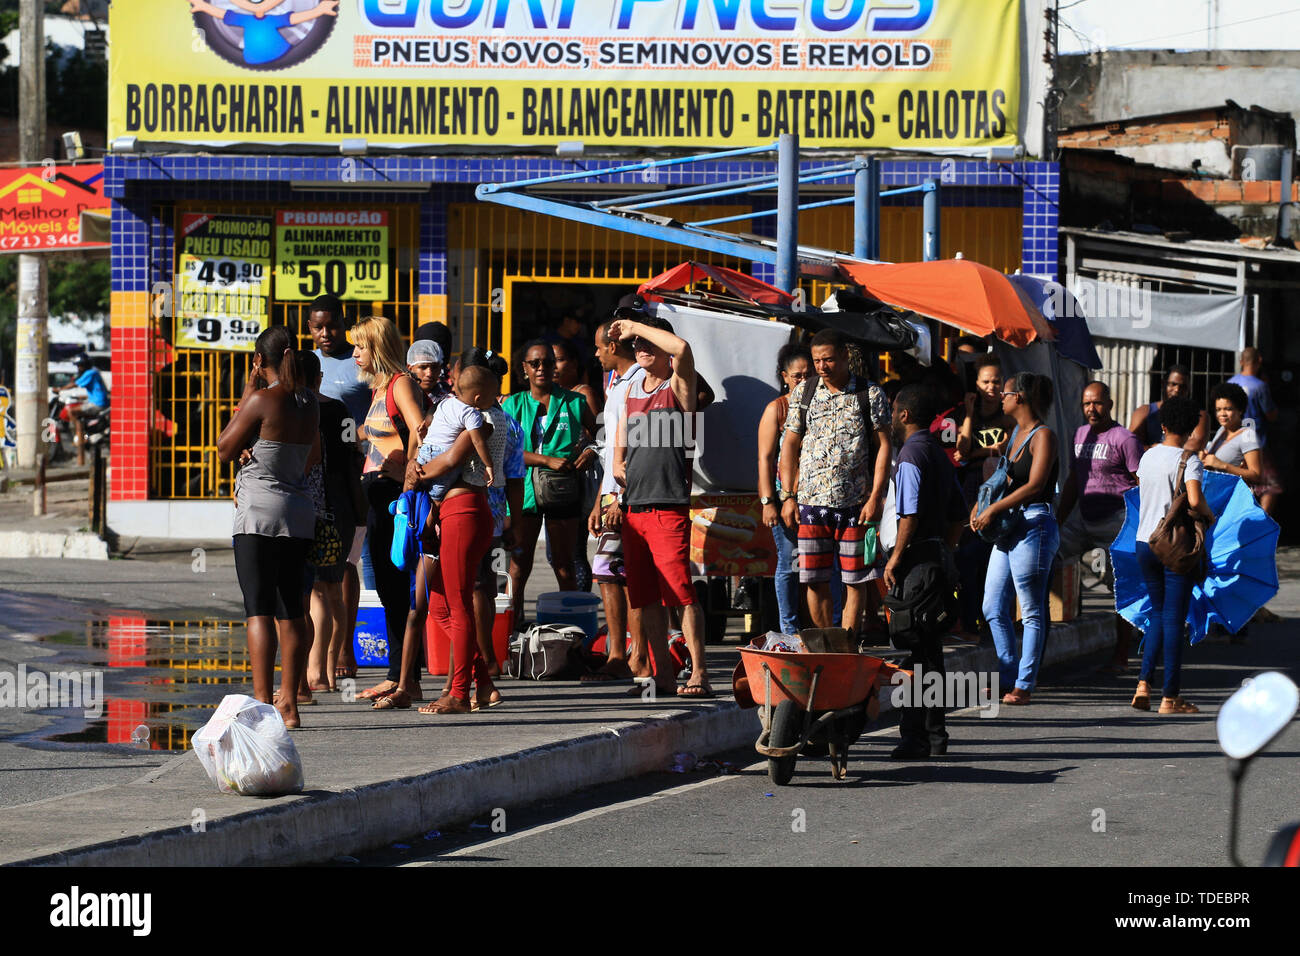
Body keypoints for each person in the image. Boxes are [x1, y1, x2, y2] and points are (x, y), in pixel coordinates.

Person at [380, 365, 502, 711]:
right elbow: (430, 442)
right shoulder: (454, 410)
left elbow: (448, 460)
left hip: (464, 511)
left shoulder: (483, 420)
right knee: (438, 605)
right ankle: (484, 682)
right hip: (446, 512)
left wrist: (415, 472)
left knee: (459, 604)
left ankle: (460, 692)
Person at [216, 326, 319, 729]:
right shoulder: (307, 402)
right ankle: (290, 704)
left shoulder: (262, 399)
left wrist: (249, 389)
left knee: (258, 609)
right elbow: (311, 457)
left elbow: (225, 447)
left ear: (260, 360)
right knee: (291, 610)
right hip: (297, 513)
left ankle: (262, 705)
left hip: (258, 515)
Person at [609, 314, 710, 697]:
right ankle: (663, 675)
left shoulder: (679, 386)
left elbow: (682, 349)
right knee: (646, 598)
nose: (641, 349)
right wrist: (618, 460)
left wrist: (637, 328)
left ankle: (699, 673)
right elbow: (621, 426)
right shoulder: (634, 386)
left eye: (650, 344)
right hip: (635, 506)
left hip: (668, 505)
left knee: (681, 593)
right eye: (636, 346)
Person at [779, 329, 892, 637]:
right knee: (813, 579)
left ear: (845, 356)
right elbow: (789, 443)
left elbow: (884, 445)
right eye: (817, 360)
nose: (822, 366)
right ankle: (826, 644)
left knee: (856, 580)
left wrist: (877, 497)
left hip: (856, 504)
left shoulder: (870, 394)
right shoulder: (804, 392)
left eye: (828, 359)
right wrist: (787, 496)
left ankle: (849, 648)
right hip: (811, 504)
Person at [883, 384, 966, 759]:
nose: (888, 414)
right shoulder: (939, 452)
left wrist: (897, 558)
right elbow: (958, 513)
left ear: (904, 414)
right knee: (929, 650)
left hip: (917, 564)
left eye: (892, 408)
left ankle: (917, 736)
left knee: (917, 647)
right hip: (936, 560)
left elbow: (909, 513)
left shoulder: (912, 454)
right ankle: (932, 736)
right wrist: (944, 551)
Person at [348, 315, 426, 704]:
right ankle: (397, 673)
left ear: (378, 347)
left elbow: (421, 427)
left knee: (396, 589)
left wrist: (407, 470)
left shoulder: (401, 384)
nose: (355, 352)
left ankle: (406, 677)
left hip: (392, 495)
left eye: (362, 346)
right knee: (386, 590)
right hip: (375, 494)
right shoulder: (379, 390)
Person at [972, 372, 1059, 706]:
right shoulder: (1015, 434)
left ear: (1019, 397)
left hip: (1035, 523)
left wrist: (994, 510)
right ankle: (1007, 674)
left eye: (1005, 392)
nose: (1000, 397)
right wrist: (981, 505)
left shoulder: (1043, 435)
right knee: (992, 606)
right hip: (1011, 527)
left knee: (1032, 609)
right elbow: (1003, 478)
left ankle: (1024, 683)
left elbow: (1036, 485)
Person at [501, 340, 598, 625]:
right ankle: (511, 628)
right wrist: (545, 460)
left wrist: (591, 451)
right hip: (523, 492)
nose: (542, 368)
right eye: (535, 363)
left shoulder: (574, 401)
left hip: (562, 491)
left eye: (547, 362)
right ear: (524, 369)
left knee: (565, 565)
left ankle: (573, 632)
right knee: (519, 566)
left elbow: (600, 435)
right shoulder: (513, 403)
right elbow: (506, 449)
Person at [1130, 395, 1214, 715]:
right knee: (1174, 620)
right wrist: (1210, 515)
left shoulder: (1148, 456)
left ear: (1162, 425)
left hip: (1144, 542)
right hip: (1174, 547)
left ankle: (1143, 683)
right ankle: (1170, 697)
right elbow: (1193, 501)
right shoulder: (1188, 460)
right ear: (1192, 427)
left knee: (1157, 612)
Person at [1055, 381, 1144, 673]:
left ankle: (1121, 653)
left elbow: (1141, 483)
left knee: (1122, 587)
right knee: (1046, 557)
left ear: (1110, 404)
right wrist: (1058, 520)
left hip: (1116, 520)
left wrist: (1141, 524)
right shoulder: (1079, 434)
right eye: (1086, 404)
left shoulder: (1125, 438)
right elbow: (1072, 480)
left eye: (1097, 403)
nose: (1092, 409)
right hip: (1082, 517)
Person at [581, 315, 648, 682]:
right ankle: (620, 653)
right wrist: (599, 500)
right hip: (611, 491)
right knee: (609, 572)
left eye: (598, 346)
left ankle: (631, 655)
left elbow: (636, 445)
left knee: (622, 572)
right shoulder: (616, 381)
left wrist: (621, 498)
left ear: (612, 346)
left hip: (629, 492)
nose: (595, 354)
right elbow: (611, 450)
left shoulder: (638, 380)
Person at [308, 294, 370, 683]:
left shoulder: (361, 361)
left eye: (331, 325)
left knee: (347, 566)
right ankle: (321, 663)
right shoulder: (305, 363)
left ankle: (345, 647)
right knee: (319, 575)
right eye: (317, 327)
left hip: (359, 475)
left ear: (343, 322)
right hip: (316, 482)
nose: (325, 333)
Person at [298, 350, 365, 694]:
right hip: (340, 507)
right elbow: (354, 461)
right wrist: (358, 510)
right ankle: (331, 665)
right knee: (332, 589)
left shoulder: (294, 410)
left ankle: (315, 671)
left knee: (315, 592)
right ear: (319, 378)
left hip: (308, 508)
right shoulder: (340, 410)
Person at [952, 353, 1012, 641]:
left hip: (999, 491)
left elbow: (1007, 450)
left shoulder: (1009, 413)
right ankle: (971, 618)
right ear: (976, 383)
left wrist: (980, 452)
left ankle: (993, 621)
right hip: (972, 489)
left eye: (996, 381)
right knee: (968, 555)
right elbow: (962, 450)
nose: (992, 387)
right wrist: (968, 412)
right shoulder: (972, 414)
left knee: (993, 557)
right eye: (986, 381)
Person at [757, 343, 812, 636]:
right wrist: (768, 502)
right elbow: (765, 459)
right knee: (789, 561)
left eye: (808, 374)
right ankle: (789, 629)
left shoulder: (822, 405)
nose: (803, 381)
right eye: (797, 376)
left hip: (818, 500)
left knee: (819, 566)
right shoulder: (776, 408)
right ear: (784, 377)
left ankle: (818, 627)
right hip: (784, 500)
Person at [552, 337, 603, 593]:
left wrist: (590, 451)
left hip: (580, 481)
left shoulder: (583, 393)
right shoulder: (548, 395)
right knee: (558, 554)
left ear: (573, 363)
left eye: (559, 360)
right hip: (555, 481)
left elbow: (601, 436)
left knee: (573, 551)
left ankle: (577, 606)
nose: (553, 367)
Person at [1227, 347, 1283, 516]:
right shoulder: (1260, 386)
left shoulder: (1230, 383)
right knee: (1271, 486)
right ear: (1259, 360)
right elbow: (1271, 415)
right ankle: (1261, 522)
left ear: (1241, 362)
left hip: (1234, 441)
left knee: (1240, 484)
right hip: (1256, 443)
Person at [1129, 364, 1209, 452]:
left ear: (1189, 389)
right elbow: (1133, 444)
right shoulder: (1144, 412)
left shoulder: (1198, 414)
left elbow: (1196, 444)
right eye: (1173, 384)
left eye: (1183, 387)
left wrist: (1156, 447)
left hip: (1183, 464)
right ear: (1163, 384)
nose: (1177, 389)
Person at [60, 353, 109, 465]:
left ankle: (79, 435)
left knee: (71, 411)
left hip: (98, 404)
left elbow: (75, 384)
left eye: (80, 365)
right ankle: (85, 433)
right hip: (98, 401)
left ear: (85, 365)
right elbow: (95, 392)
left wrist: (60, 389)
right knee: (80, 408)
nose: (79, 368)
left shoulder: (90, 373)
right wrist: (78, 397)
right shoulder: (94, 372)